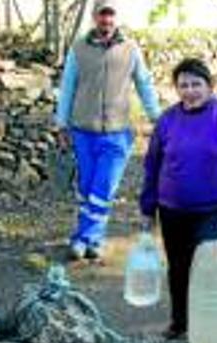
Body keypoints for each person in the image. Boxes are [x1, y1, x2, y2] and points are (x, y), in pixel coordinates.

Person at [139, 58, 217, 338]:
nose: (189, 91)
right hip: (172, 210)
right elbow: (152, 165)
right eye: (183, 85)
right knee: (178, 269)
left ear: (209, 86)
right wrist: (147, 207)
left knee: (210, 270)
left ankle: (210, 329)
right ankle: (180, 323)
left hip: (214, 211)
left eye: (196, 84)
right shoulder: (167, 121)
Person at [55, 0, 160, 261]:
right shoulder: (78, 49)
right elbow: (67, 87)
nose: (107, 20)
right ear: (94, 17)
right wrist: (61, 123)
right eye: (102, 15)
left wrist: (158, 117)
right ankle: (87, 238)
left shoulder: (130, 48)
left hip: (117, 133)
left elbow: (144, 84)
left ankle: (88, 238)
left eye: (111, 15)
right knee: (86, 187)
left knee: (103, 188)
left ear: (117, 18)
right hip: (83, 131)